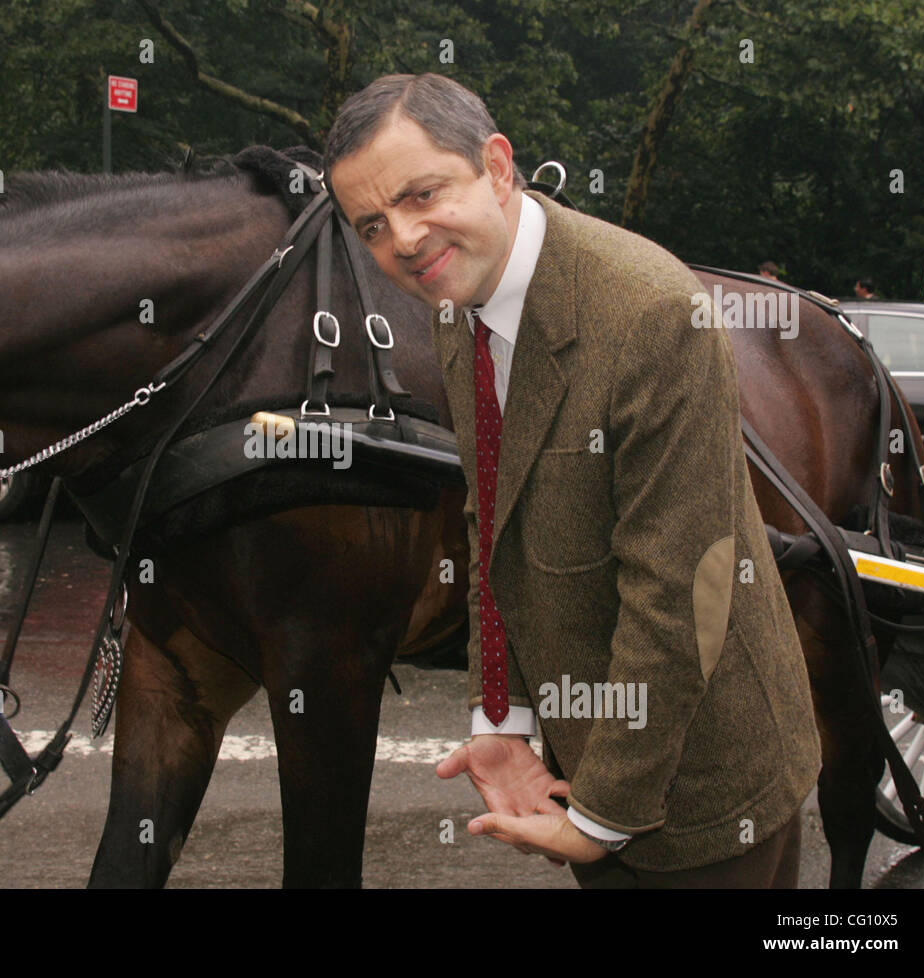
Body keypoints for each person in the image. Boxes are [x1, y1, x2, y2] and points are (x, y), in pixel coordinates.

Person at [325, 73, 820, 887]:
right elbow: (494, 522)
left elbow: (682, 591)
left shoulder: (651, 314)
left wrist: (604, 818)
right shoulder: (457, 306)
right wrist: (503, 715)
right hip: (581, 761)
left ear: (495, 165)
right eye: (371, 225)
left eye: (422, 194)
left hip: (704, 792)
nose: (403, 240)